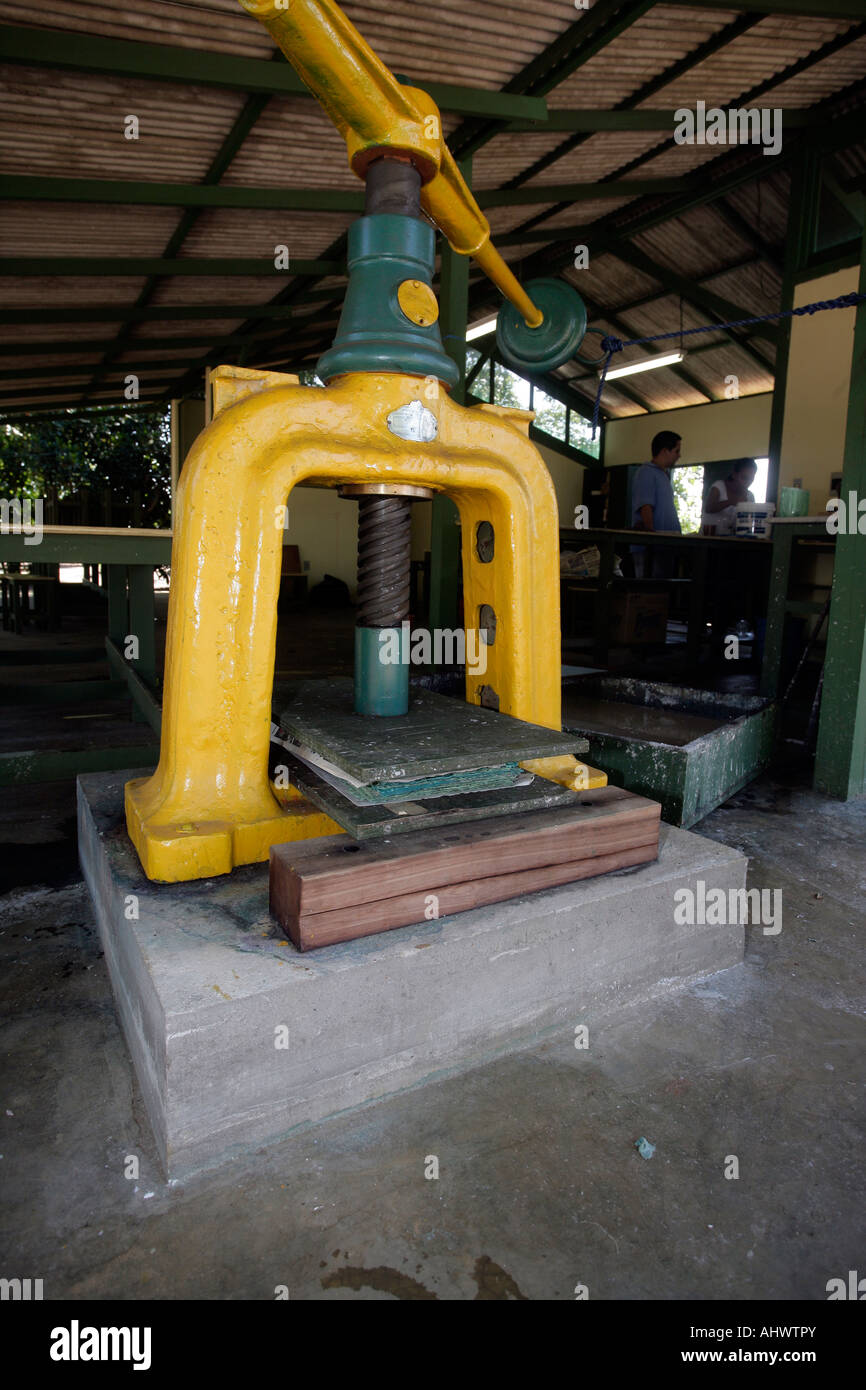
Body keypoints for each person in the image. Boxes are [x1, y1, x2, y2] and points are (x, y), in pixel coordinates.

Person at [630, 431, 682, 578]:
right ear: (665, 451)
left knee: (663, 594)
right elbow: (646, 506)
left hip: (665, 547)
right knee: (651, 594)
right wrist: (652, 540)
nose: (679, 455)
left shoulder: (663, 475)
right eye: (676, 451)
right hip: (651, 549)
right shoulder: (645, 473)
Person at [702, 459, 757, 536]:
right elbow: (709, 508)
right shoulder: (719, 486)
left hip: (733, 541)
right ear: (734, 475)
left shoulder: (750, 496)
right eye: (744, 477)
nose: (747, 482)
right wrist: (731, 501)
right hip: (711, 539)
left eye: (751, 478)